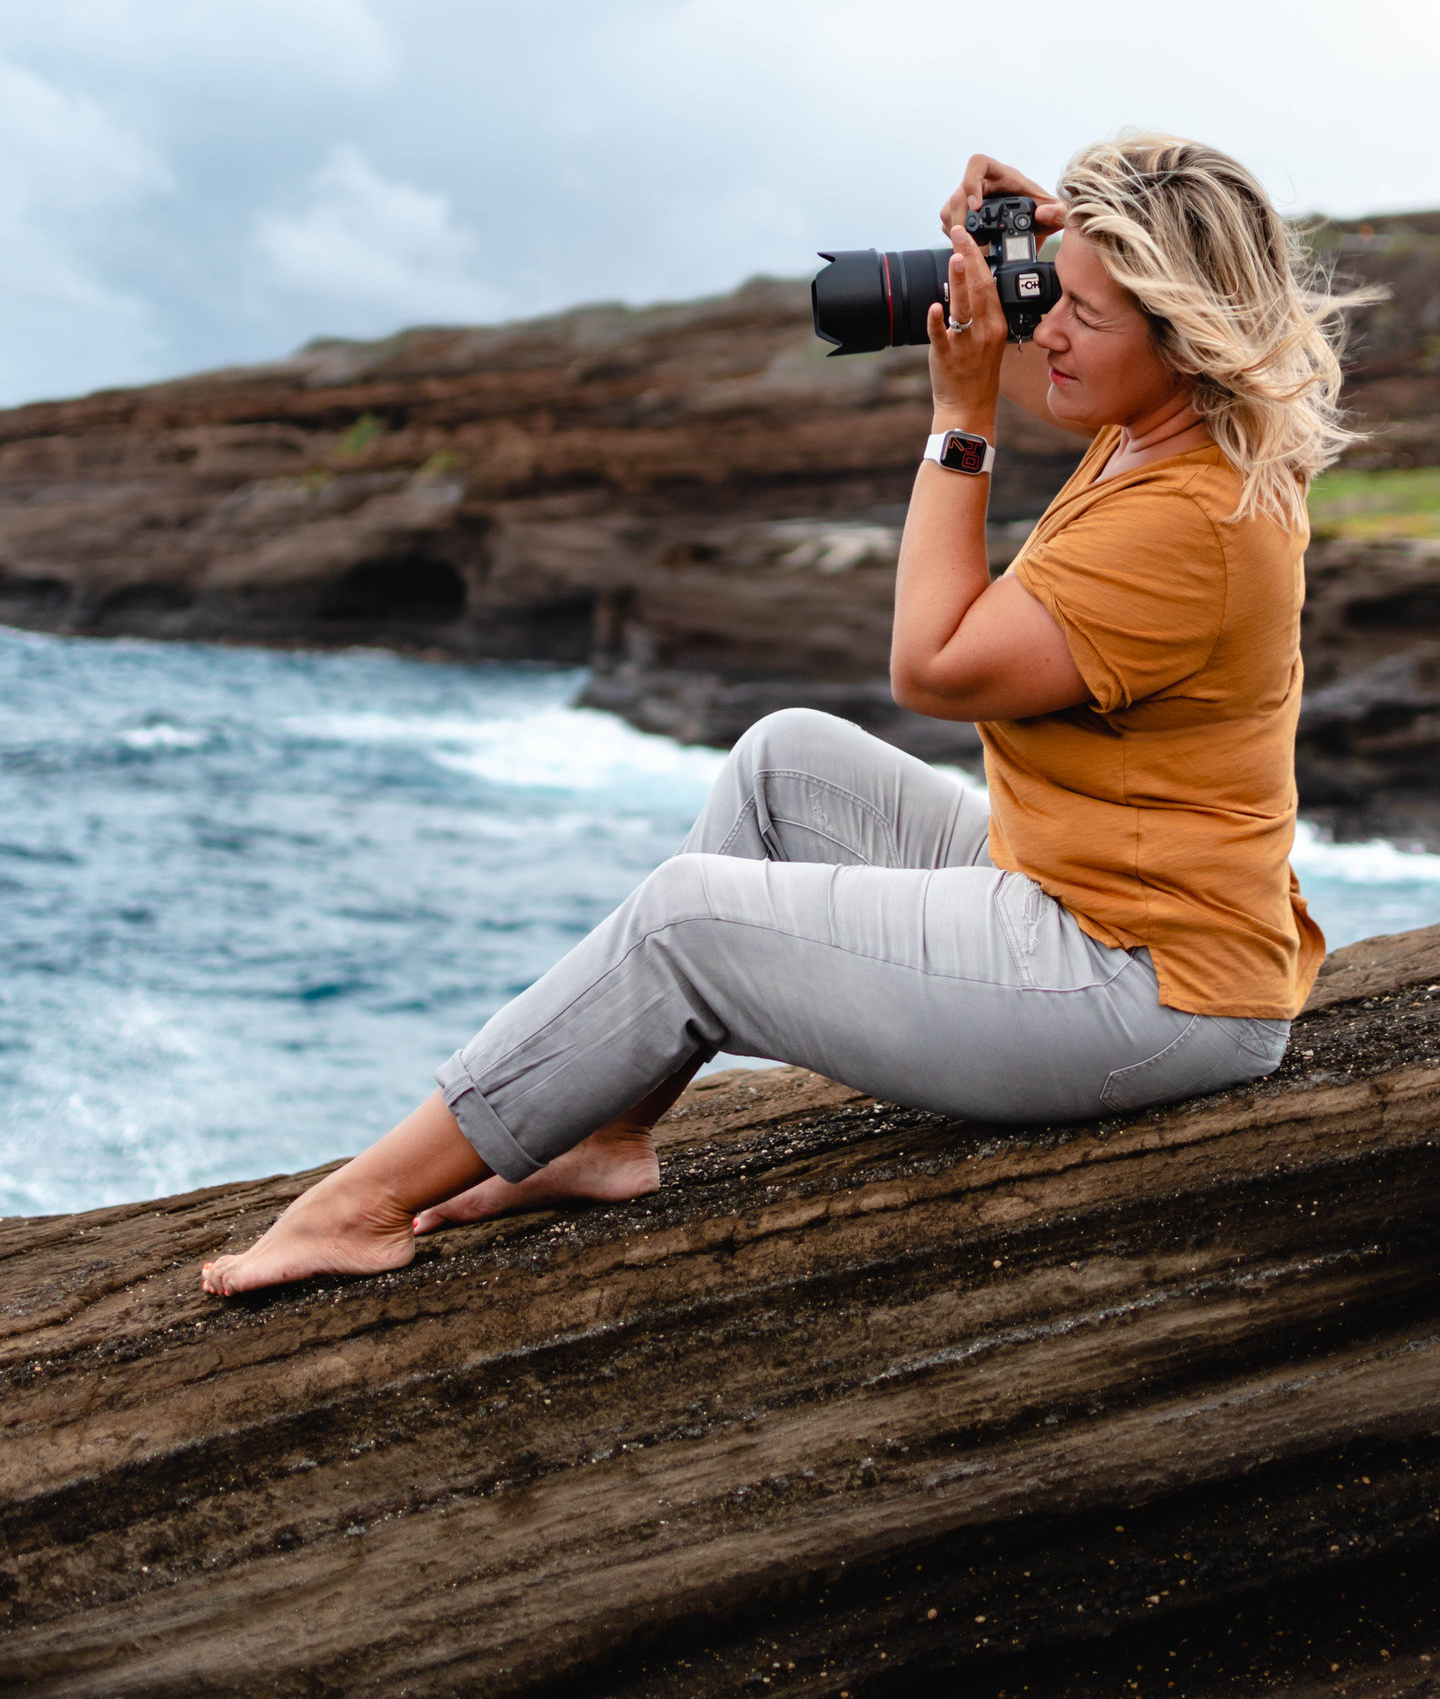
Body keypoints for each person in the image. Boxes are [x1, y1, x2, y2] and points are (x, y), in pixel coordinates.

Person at [203, 133, 1365, 1297]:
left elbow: (933, 665)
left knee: (685, 921)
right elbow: (1047, 358)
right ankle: (605, 1134)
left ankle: (361, 1203)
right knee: (783, 765)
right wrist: (1013, 272)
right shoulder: (1156, 422)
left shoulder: (1191, 522)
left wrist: (958, 421)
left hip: (1143, 983)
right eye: (1049, 298)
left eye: (1086, 315)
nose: (1047, 332)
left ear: (1185, 331)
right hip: (1086, 891)